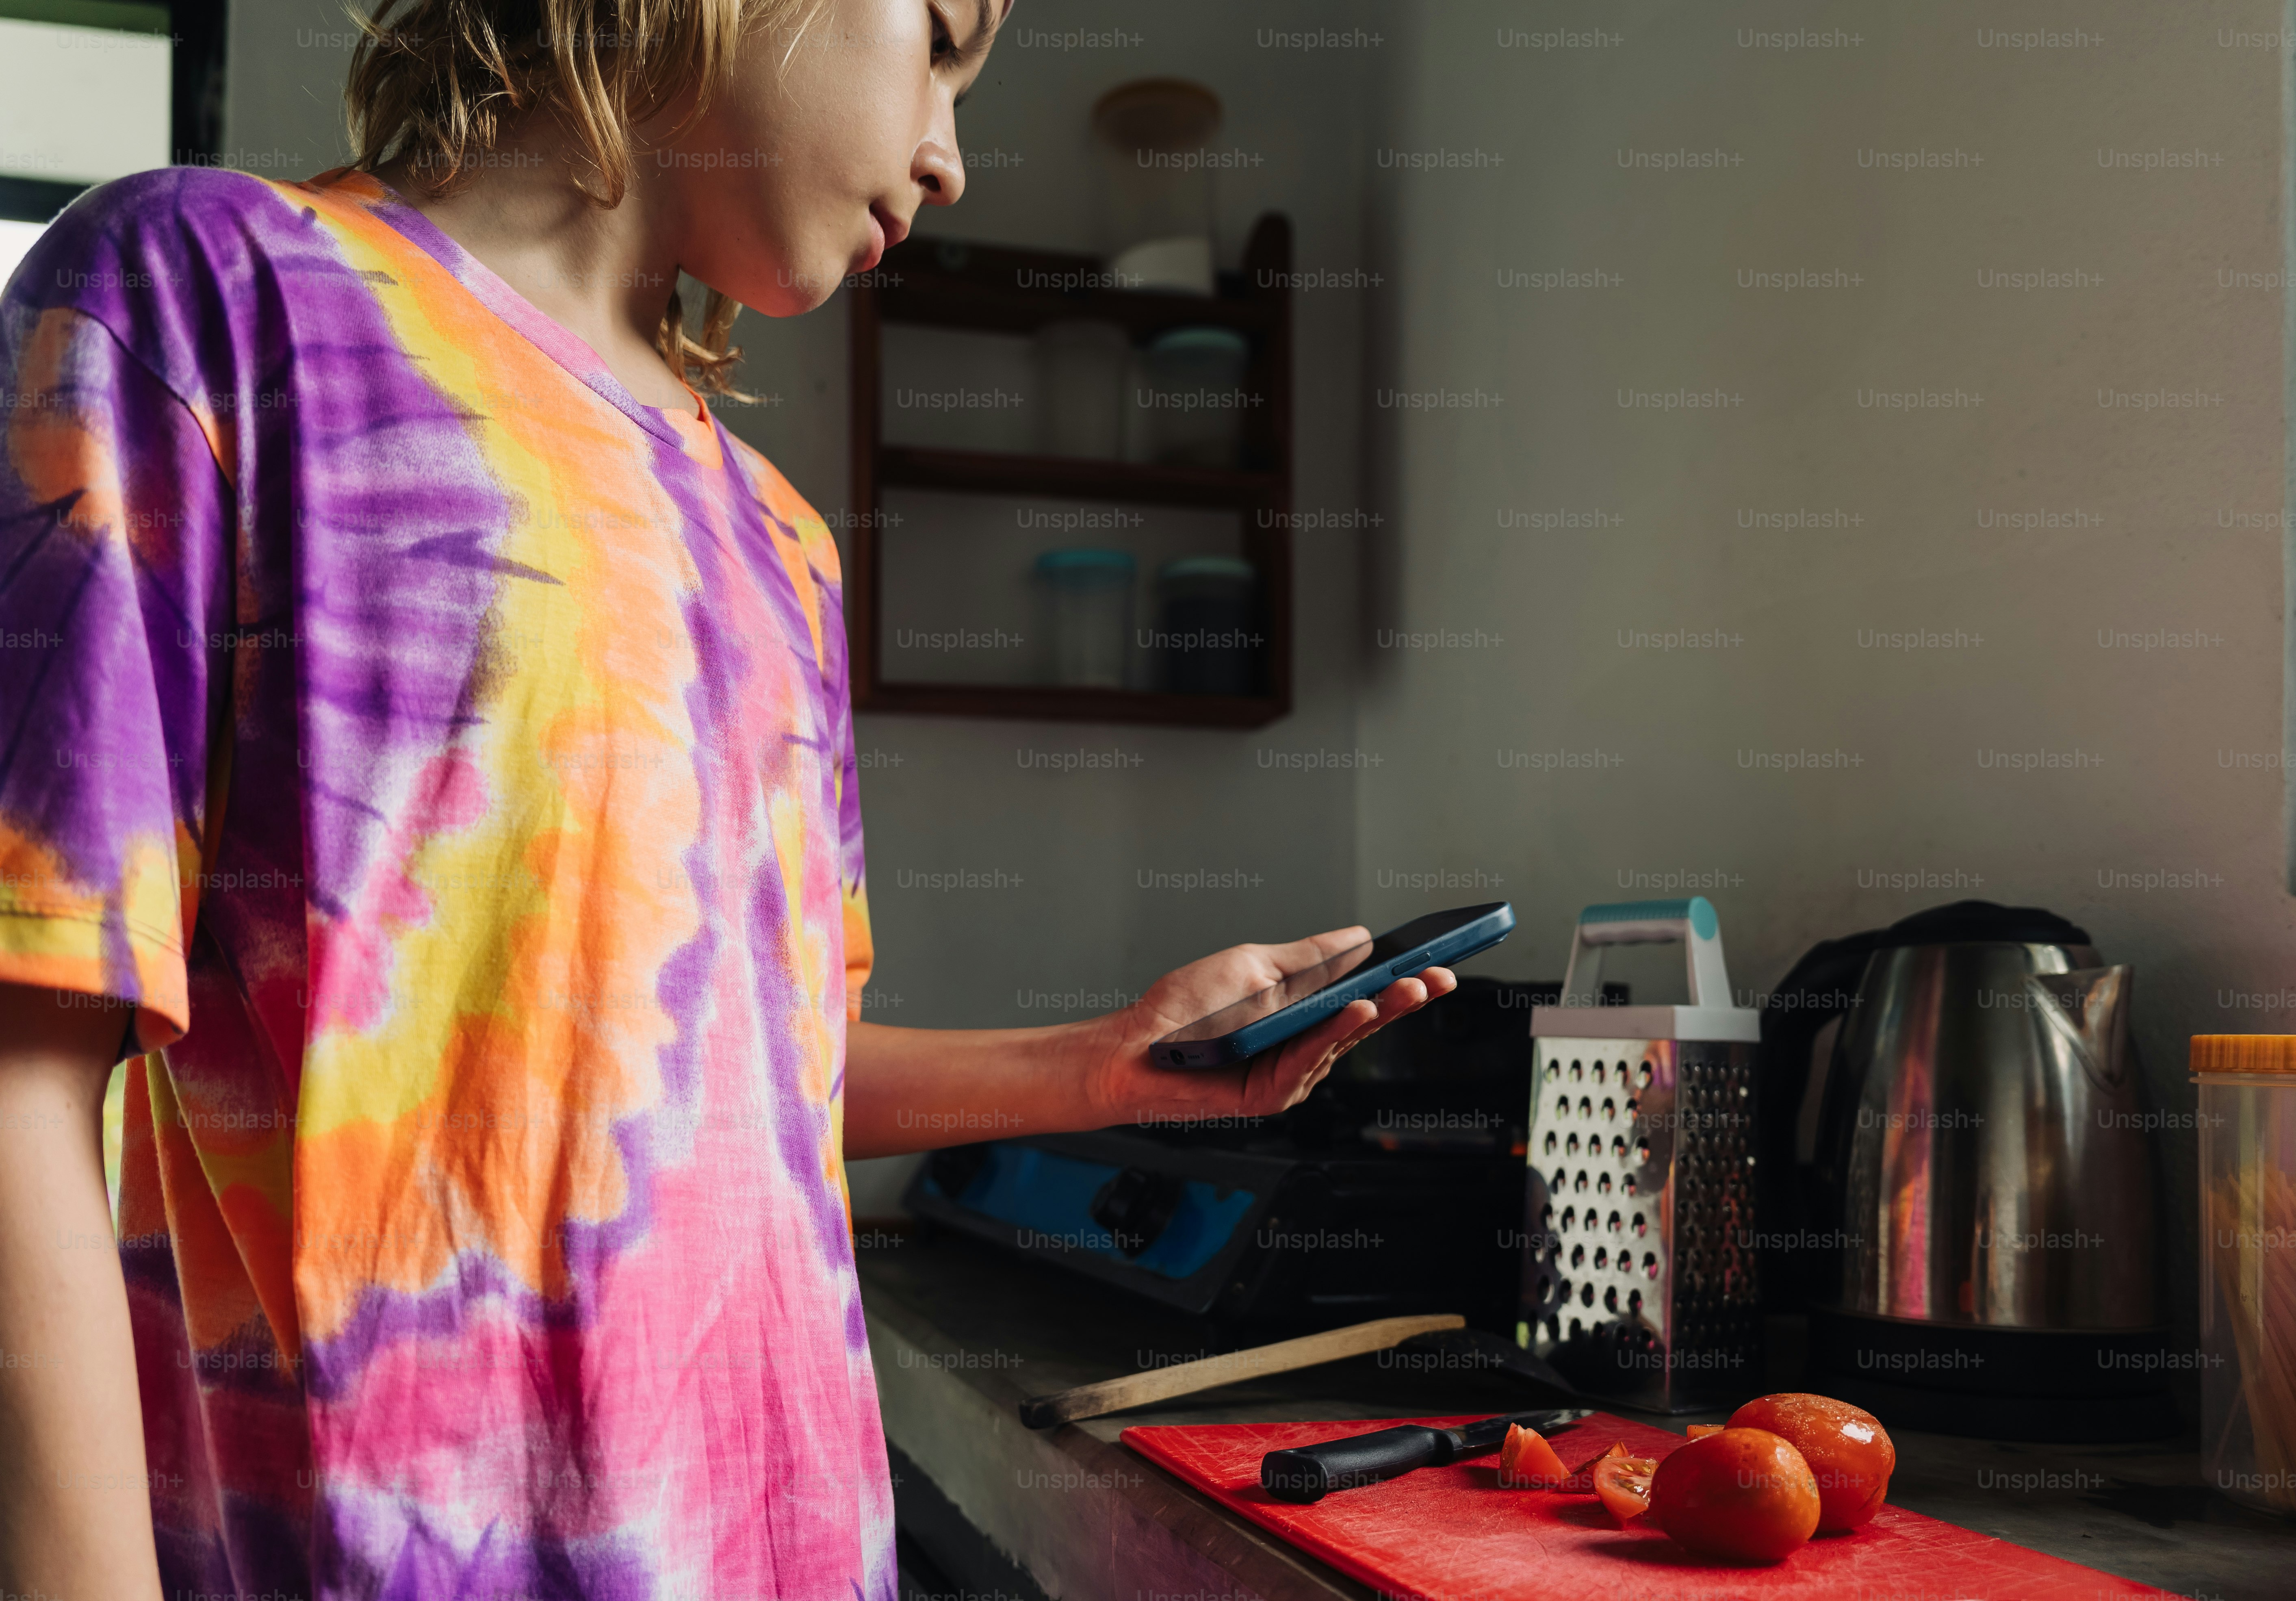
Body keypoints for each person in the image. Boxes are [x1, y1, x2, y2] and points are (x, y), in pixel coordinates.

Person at [0, 0, 1454, 1593]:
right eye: (946, 40)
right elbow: (20, 1066)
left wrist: (1107, 1065)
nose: (951, 158)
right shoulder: (204, 289)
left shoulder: (779, 544)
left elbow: (760, 1080)